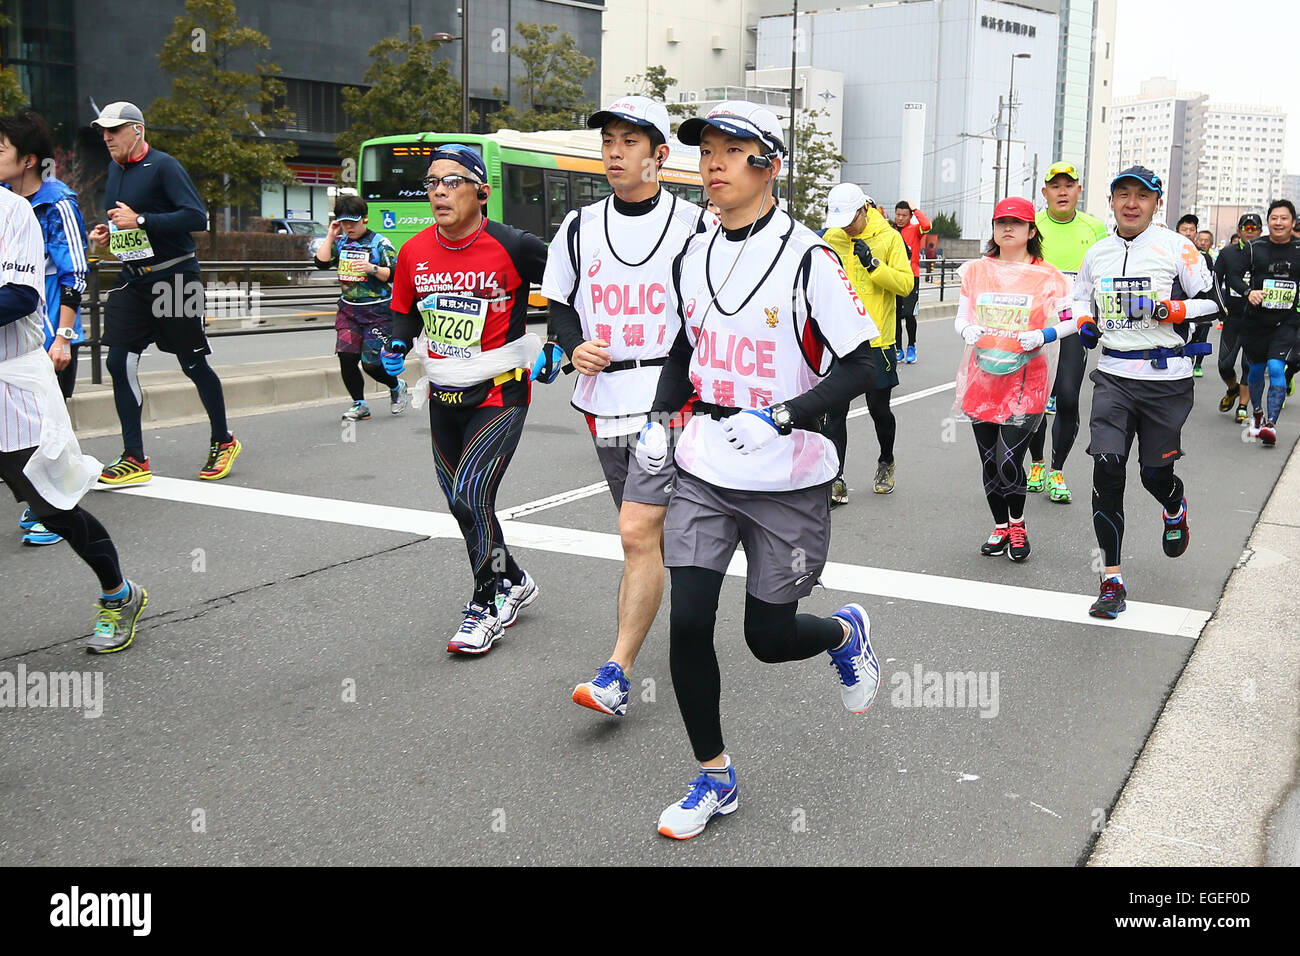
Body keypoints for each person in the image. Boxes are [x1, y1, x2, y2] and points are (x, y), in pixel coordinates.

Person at [639, 101, 882, 840]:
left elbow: (868, 364)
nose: (712, 163)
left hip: (787, 474)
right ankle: (714, 776)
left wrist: (780, 415)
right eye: (705, 149)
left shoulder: (809, 257)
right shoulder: (693, 250)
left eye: (729, 150)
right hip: (706, 467)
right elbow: (685, 344)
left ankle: (843, 636)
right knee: (686, 622)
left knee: (768, 639)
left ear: (768, 166)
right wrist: (659, 415)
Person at [538, 94, 706, 717]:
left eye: (630, 141)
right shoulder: (579, 226)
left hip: (675, 402)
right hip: (605, 402)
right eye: (608, 140)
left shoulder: (696, 225)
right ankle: (672, 612)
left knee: (639, 531)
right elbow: (559, 301)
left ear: (660, 155)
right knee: (647, 538)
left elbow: (714, 310)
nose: (614, 151)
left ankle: (617, 670)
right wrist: (573, 343)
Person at [380, 144, 547, 654]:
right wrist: (394, 341)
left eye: (452, 181)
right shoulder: (413, 251)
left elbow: (571, 285)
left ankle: (488, 601)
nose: (438, 192)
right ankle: (512, 577)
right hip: (442, 391)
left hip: (500, 388)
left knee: (472, 495)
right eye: (431, 183)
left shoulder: (514, 244)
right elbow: (406, 308)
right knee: (462, 504)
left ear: (482, 191)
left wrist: (560, 342)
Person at [0, 179, 146, 652]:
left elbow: (21, 295)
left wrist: (63, 334)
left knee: (52, 508)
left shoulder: (13, 211)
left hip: (11, 388)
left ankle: (118, 595)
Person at [1073, 166, 1218, 618]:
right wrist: (1084, 322)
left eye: (1142, 196)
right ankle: (1112, 580)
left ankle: (1173, 504)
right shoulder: (1097, 252)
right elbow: (1080, 296)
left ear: (1157, 204)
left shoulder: (1178, 247)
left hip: (1165, 380)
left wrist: (1169, 308)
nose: (1131, 203)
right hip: (1113, 376)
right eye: (1122, 195)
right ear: (1111, 202)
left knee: (1154, 476)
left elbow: (1213, 302)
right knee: (1107, 468)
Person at [86, 102, 240, 484]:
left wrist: (140, 219)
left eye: (115, 129)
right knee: (118, 362)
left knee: (192, 363)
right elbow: (126, 230)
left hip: (175, 279)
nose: (106, 137)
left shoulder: (165, 166)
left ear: (137, 130)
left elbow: (196, 217)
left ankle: (224, 440)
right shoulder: (113, 170)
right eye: (103, 131)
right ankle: (134, 457)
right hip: (133, 280)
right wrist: (106, 240)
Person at [955, 197, 1072, 561]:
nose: (1007, 228)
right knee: (989, 461)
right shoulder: (976, 271)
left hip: (1027, 379)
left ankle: (1017, 523)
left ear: (1031, 230)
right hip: (982, 378)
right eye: (1000, 222)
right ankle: (999, 526)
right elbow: (961, 317)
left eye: (1016, 223)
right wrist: (967, 330)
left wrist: (1045, 336)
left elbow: (1071, 320)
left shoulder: (1049, 275)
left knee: (1009, 459)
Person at [0, 109, 90, 546]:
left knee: (44, 432)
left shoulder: (57, 203)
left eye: (1, 148)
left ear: (28, 159)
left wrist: (64, 337)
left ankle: (51, 507)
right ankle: (41, 501)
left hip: (48, 336)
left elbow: (77, 275)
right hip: (13, 339)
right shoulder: (4, 201)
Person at [821, 182, 913, 501]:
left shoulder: (889, 238)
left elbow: (905, 284)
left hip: (877, 341)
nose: (845, 227)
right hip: (838, 340)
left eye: (850, 219)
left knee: (878, 408)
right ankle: (836, 477)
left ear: (863, 210)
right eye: (840, 221)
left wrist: (874, 265)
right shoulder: (832, 237)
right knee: (835, 411)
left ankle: (886, 460)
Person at [1026, 161, 1108, 504]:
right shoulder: (1033, 227)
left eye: (1068, 185)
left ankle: (1057, 469)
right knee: (1034, 401)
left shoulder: (1095, 228)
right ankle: (1038, 464)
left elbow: (1106, 277)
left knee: (1069, 398)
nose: (1062, 191)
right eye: (1055, 186)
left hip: (1073, 323)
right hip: (1035, 325)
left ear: (1078, 191)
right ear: (1044, 192)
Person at [314, 195, 407, 421]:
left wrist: (371, 268)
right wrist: (330, 235)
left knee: (371, 364)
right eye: (344, 223)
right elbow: (321, 262)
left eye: (353, 222)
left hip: (378, 311)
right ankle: (360, 404)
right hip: (349, 310)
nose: (349, 227)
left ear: (364, 219)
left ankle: (396, 386)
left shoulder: (380, 243)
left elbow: (393, 274)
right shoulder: (341, 242)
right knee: (346, 357)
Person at [1229, 199, 1300, 447]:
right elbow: (1233, 275)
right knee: (1257, 371)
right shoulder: (1254, 248)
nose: (1278, 222)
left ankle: (1271, 425)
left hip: (1287, 321)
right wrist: (1249, 291)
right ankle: (1257, 414)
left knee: (1277, 367)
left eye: (1284, 218)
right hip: (1256, 321)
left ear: (1292, 222)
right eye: (1274, 218)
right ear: (1269, 221)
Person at [1214, 215, 1260, 422]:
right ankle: (1232, 389)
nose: (1249, 230)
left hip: (1257, 319)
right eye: (1246, 227)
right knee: (1225, 364)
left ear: (1260, 230)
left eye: (1254, 227)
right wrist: (1218, 308)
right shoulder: (1227, 253)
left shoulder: (1266, 253)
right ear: (1239, 230)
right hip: (1232, 317)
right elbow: (1215, 281)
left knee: (1249, 366)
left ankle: (1243, 406)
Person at [1176, 214, 1217, 377]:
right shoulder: (1166, 252)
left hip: (1197, 305)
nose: (1188, 233)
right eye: (1184, 229)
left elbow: (1209, 283)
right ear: (1177, 231)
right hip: (1177, 306)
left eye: (1191, 230)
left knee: (1200, 336)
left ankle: (1195, 364)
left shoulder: (1202, 256)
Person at [892, 200, 930, 363]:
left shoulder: (915, 230)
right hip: (893, 277)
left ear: (910, 216)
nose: (900, 218)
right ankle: (898, 349)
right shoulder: (890, 231)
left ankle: (911, 347)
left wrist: (914, 209)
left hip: (911, 277)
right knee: (895, 315)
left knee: (909, 314)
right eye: (898, 214)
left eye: (904, 215)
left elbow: (927, 225)